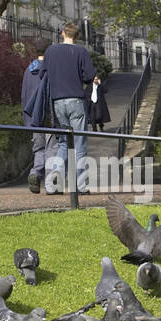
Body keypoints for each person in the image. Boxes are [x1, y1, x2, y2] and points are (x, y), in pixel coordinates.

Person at [42, 22, 100, 193]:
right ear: (78, 36)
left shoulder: (51, 51)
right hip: (75, 100)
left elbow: (43, 73)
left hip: (57, 101)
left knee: (63, 144)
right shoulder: (81, 52)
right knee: (79, 144)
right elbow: (89, 76)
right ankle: (80, 186)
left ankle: (53, 185)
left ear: (62, 33)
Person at [20, 41, 51, 194]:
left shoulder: (28, 70)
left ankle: (35, 173)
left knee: (39, 148)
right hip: (49, 115)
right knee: (54, 147)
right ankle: (52, 181)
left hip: (34, 118)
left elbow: (24, 95)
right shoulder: (50, 69)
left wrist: (27, 119)